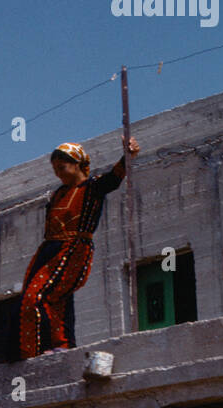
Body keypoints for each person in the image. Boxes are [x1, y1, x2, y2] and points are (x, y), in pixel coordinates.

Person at [18, 136, 140, 359]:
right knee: (52, 297)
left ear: (77, 164)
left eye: (62, 167)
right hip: (49, 249)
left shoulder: (93, 187)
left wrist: (128, 155)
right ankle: (61, 345)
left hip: (73, 248)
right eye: (55, 169)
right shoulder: (58, 193)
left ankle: (39, 349)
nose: (58, 173)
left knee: (38, 295)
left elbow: (114, 178)